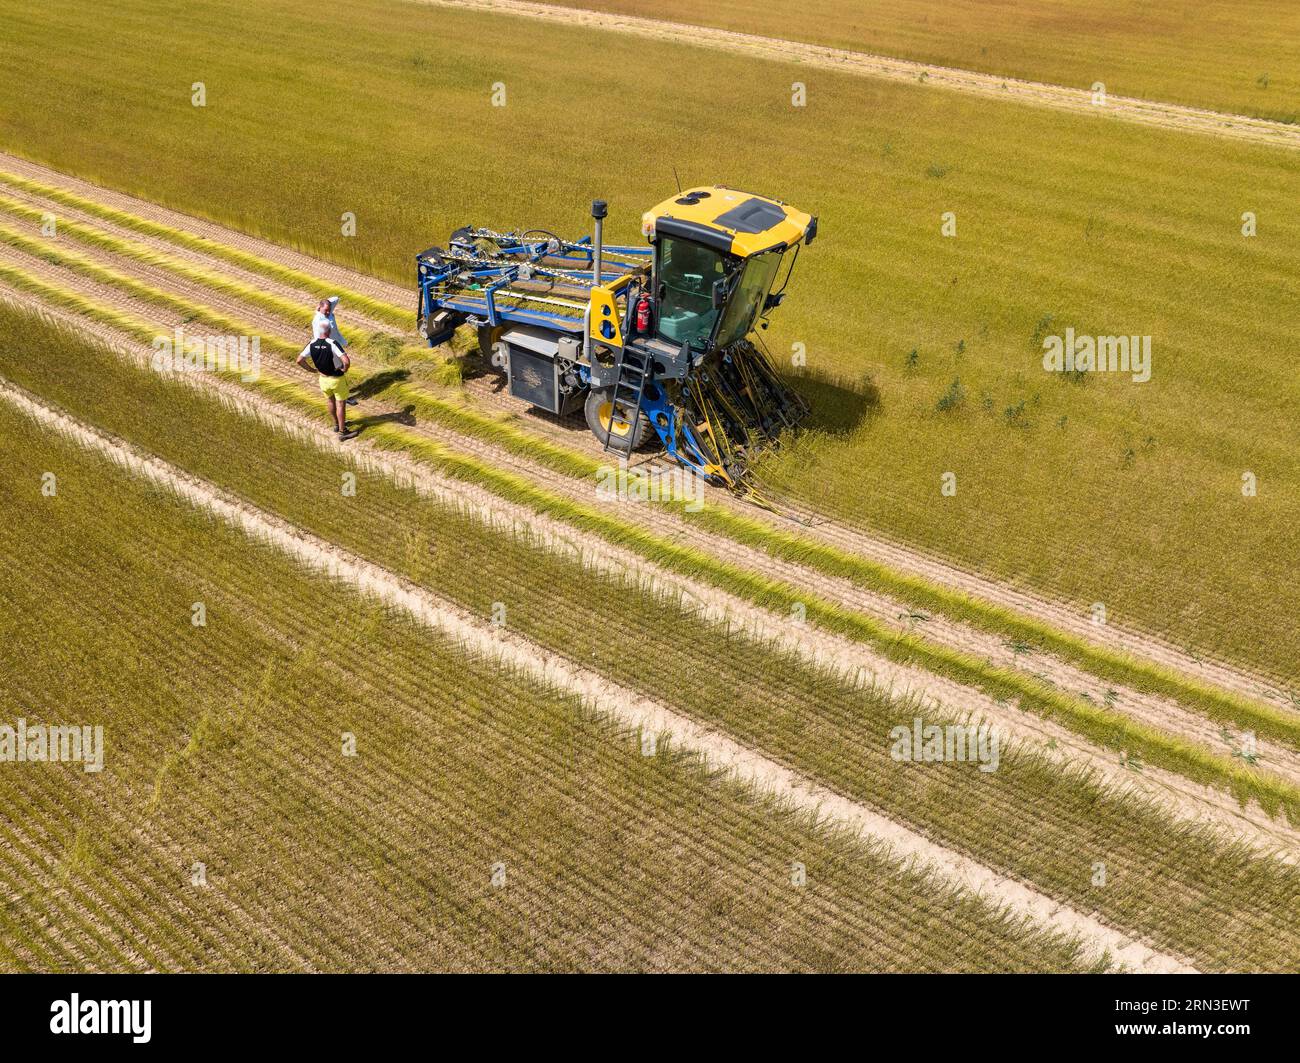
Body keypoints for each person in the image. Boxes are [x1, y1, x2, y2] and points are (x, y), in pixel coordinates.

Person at [297, 322, 356, 439]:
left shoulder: (311, 343)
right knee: (340, 404)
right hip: (336, 379)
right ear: (329, 331)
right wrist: (345, 369)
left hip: (323, 379)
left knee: (330, 401)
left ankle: (336, 424)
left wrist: (311, 370)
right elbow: (346, 361)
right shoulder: (332, 343)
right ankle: (343, 431)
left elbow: (299, 360)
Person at [312, 296, 357, 406]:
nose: (328, 312)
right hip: (330, 349)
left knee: (340, 368)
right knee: (338, 371)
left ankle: (342, 393)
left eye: (329, 309)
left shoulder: (328, 311)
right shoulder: (318, 321)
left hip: (337, 345)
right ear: (320, 309)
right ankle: (342, 397)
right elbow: (319, 339)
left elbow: (336, 298)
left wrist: (322, 306)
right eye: (325, 310)